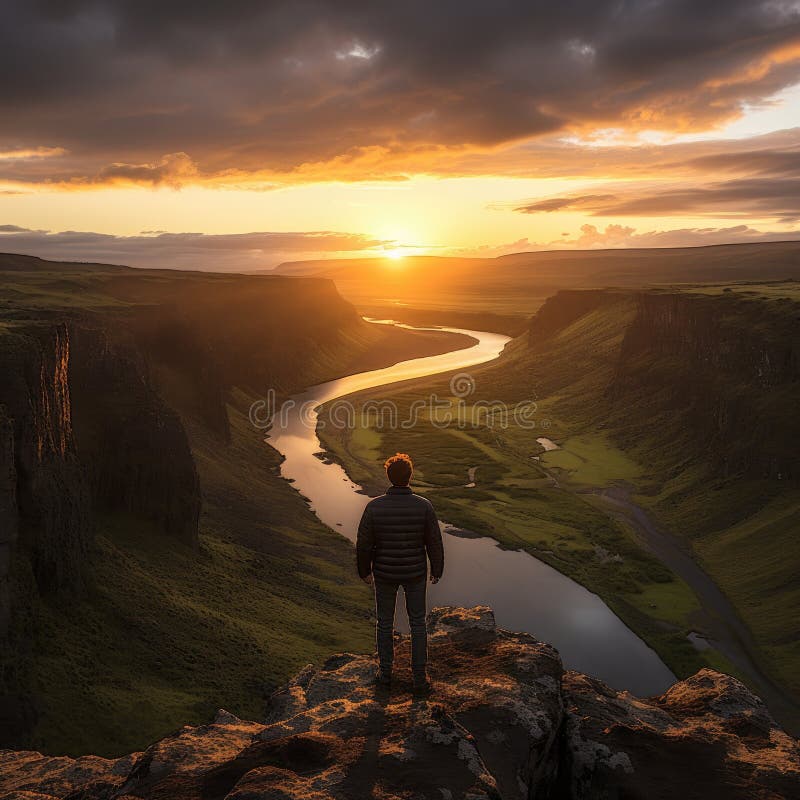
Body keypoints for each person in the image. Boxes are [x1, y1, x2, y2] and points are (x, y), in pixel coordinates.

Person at [356, 452, 444, 692]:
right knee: (418, 623)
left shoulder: (374, 507)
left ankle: (385, 674)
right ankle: (419, 677)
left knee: (384, 623)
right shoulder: (423, 505)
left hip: (384, 573)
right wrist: (437, 569)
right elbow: (433, 541)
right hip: (415, 572)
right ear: (410, 476)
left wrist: (365, 571)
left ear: (388, 476)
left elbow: (364, 543)